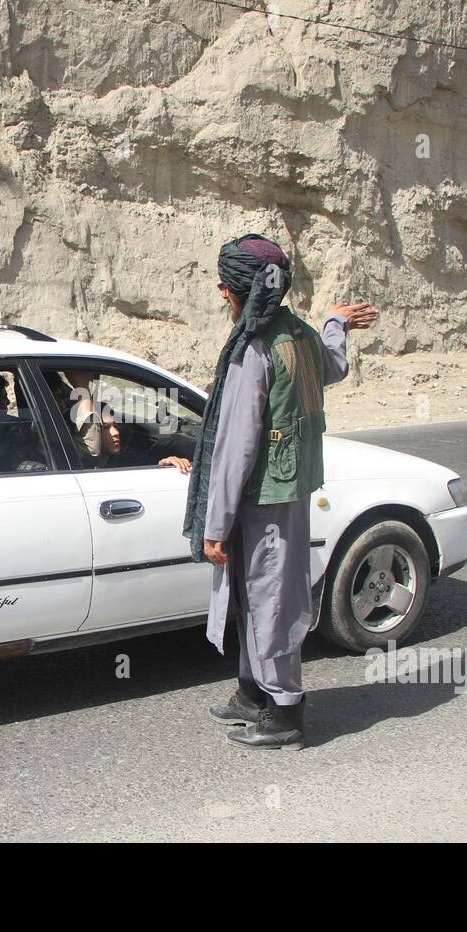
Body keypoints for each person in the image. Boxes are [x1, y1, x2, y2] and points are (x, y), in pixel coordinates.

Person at [182, 233, 378, 750]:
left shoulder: (255, 349)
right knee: (254, 594)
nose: (221, 293)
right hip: (283, 490)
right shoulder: (300, 336)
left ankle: (286, 712)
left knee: (270, 598)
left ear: (239, 291)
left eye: (226, 285)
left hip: (262, 497)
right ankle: (252, 691)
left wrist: (215, 525)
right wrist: (335, 324)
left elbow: (235, 447)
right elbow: (332, 366)